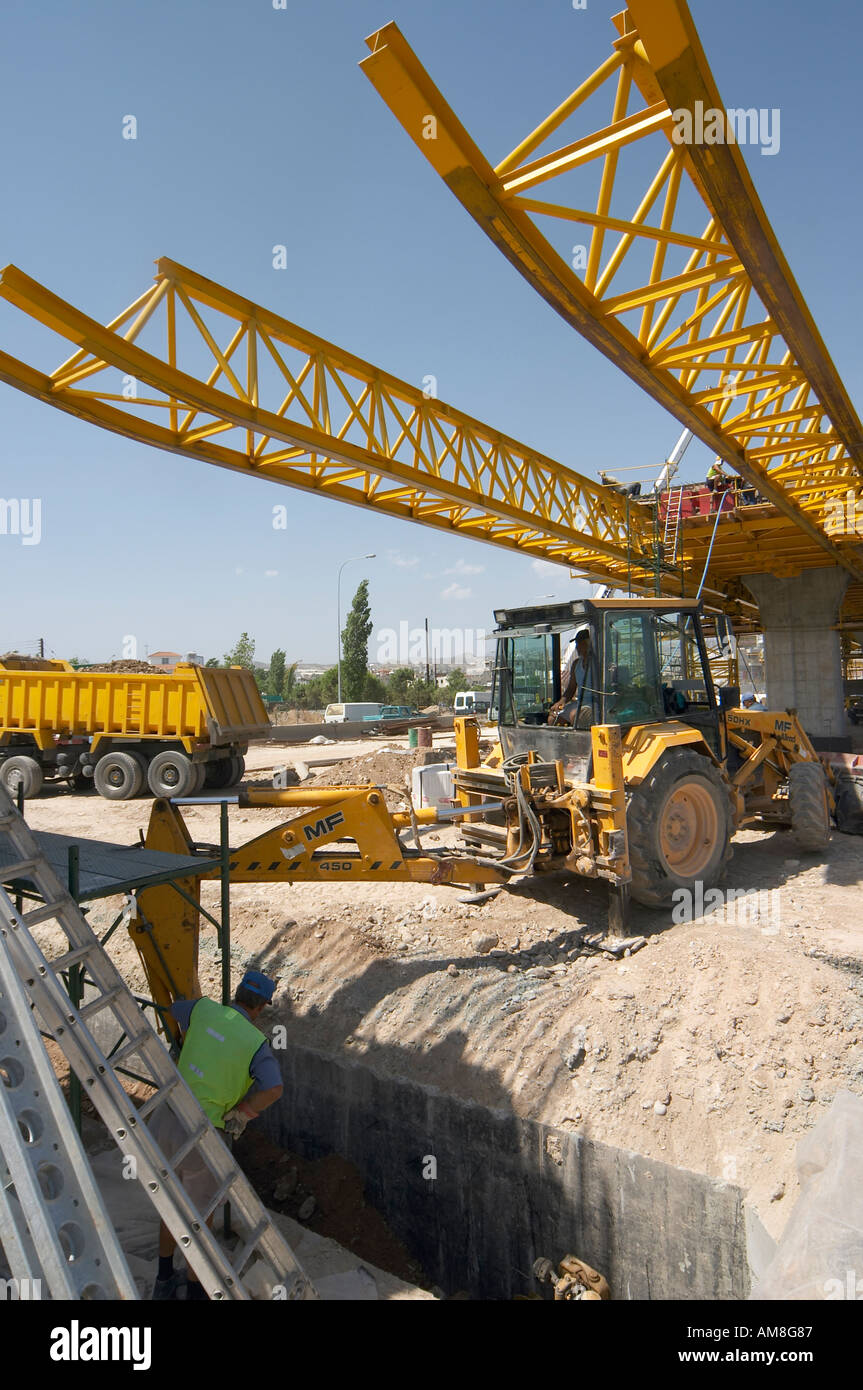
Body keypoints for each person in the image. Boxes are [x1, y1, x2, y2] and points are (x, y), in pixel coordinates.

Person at [151, 969, 284, 1301]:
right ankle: (196, 1292)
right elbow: (274, 1088)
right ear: (262, 1007)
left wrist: (190, 1044)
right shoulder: (256, 1044)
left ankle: (164, 1280)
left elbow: (173, 1010)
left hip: (163, 1120)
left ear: (236, 993)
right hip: (200, 1136)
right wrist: (243, 1114)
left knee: (170, 1205)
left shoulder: (203, 1009)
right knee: (200, 1218)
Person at [549, 628, 594, 726]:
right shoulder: (576, 664)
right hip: (581, 703)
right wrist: (561, 702)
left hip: (595, 704)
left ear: (588, 644)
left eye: (580, 644)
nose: (577, 648)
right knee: (553, 717)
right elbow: (571, 688)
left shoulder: (597, 664)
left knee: (575, 715)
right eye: (577, 644)